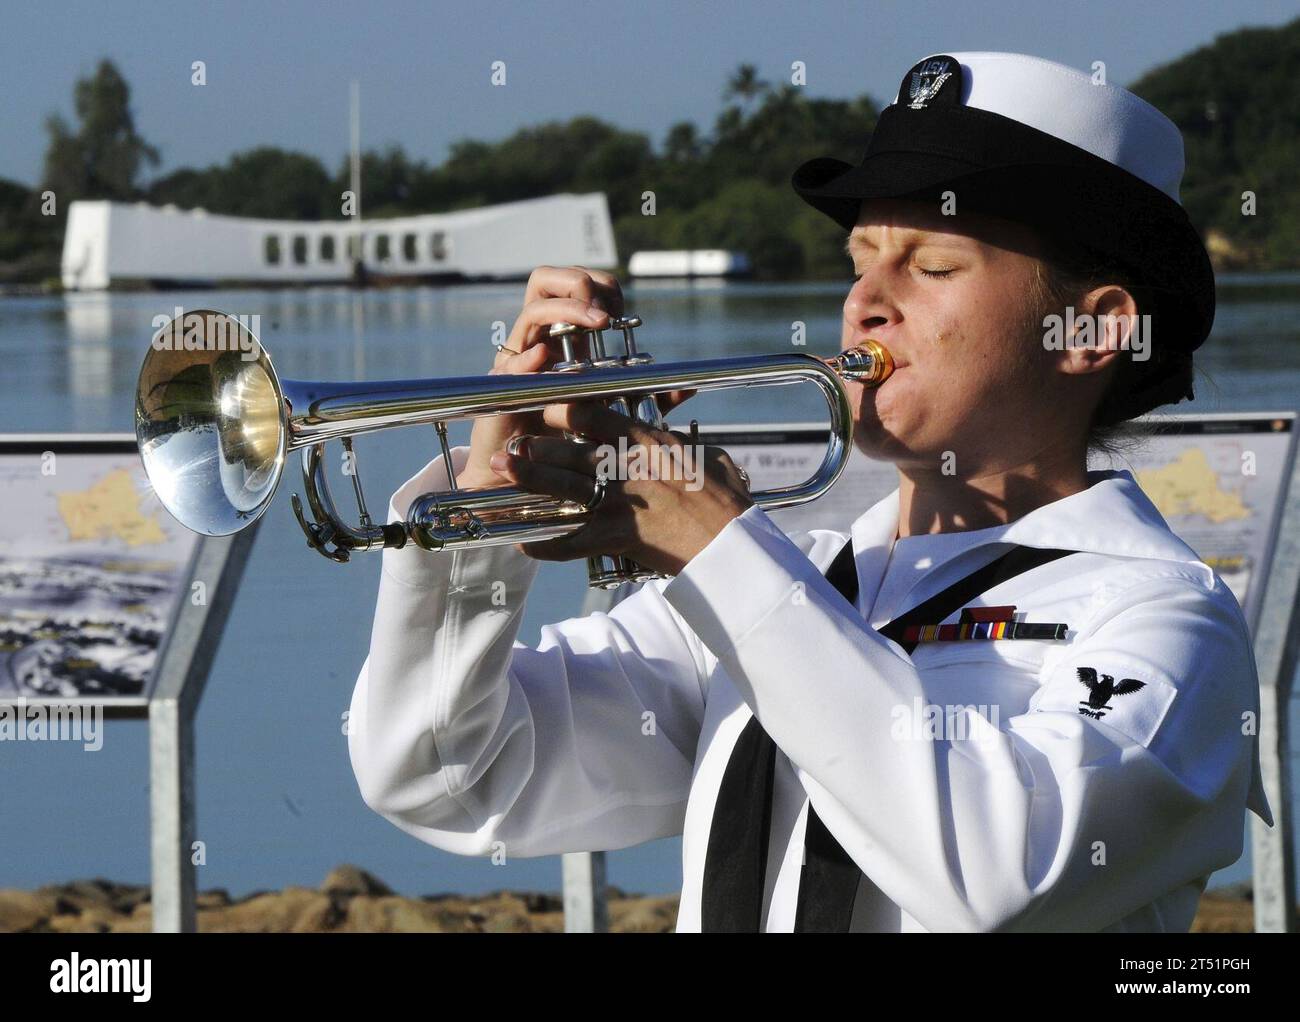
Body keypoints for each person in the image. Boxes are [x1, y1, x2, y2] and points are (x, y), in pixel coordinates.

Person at [347, 52, 1273, 932]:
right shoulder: (795, 582)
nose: (865, 301)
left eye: (933, 265)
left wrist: (719, 551)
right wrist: (483, 511)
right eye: (859, 260)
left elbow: (1000, 874)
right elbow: (448, 776)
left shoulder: (1166, 620)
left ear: (1090, 331)